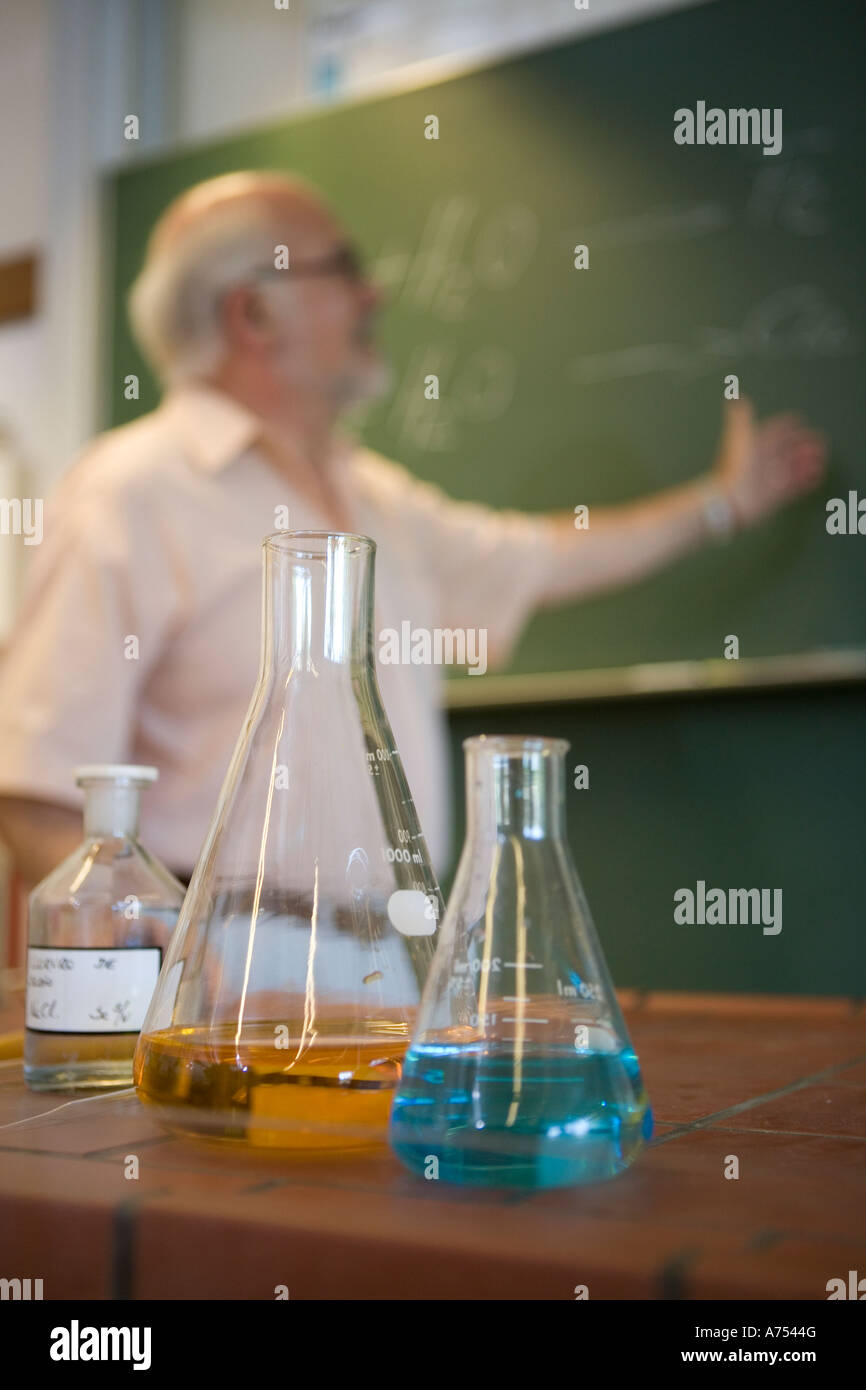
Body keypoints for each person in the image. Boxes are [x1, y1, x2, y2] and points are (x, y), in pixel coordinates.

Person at [0, 172, 826, 886]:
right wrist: (192, 975)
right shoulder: (130, 491)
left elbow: (542, 558)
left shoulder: (376, 497)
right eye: (345, 268)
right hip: (227, 995)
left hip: (388, 971)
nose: (376, 294)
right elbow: (36, 796)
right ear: (254, 312)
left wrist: (724, 504)